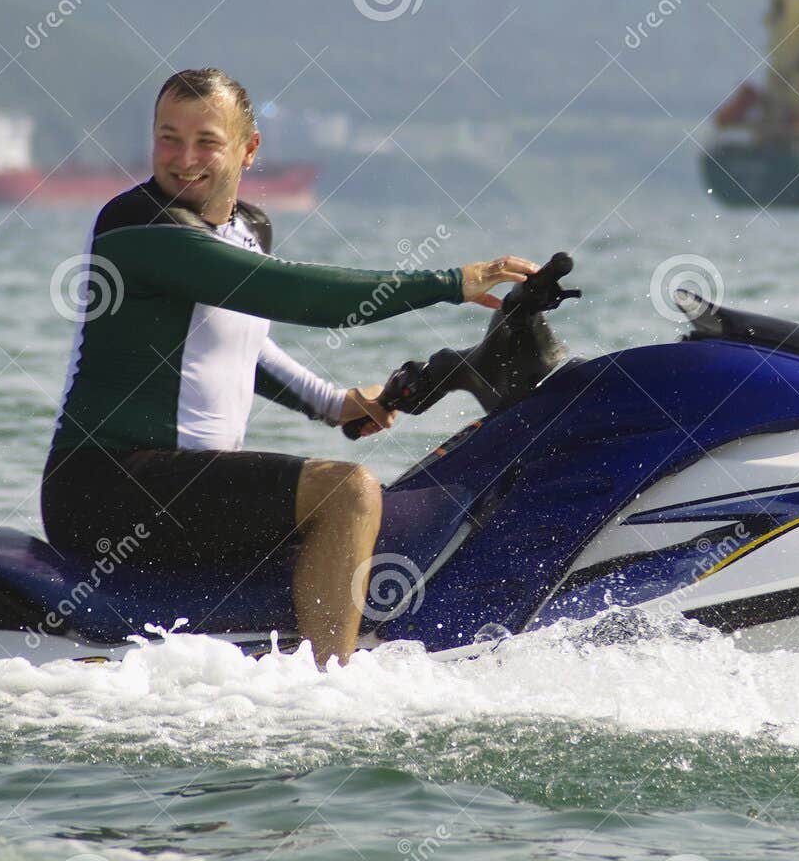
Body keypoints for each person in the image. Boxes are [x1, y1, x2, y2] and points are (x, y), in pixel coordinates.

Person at [40, 67, 535, 667]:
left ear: (248, 149)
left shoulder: (250, 228)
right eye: (168, 138)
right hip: (105, 486)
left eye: (206, 141)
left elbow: (240, 341)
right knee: (347, 491)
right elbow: (292, 295)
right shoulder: (136, 225)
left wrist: (333, 403)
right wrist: (450, 282)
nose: (183, 158)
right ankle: (331, 694)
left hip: (184, 481)